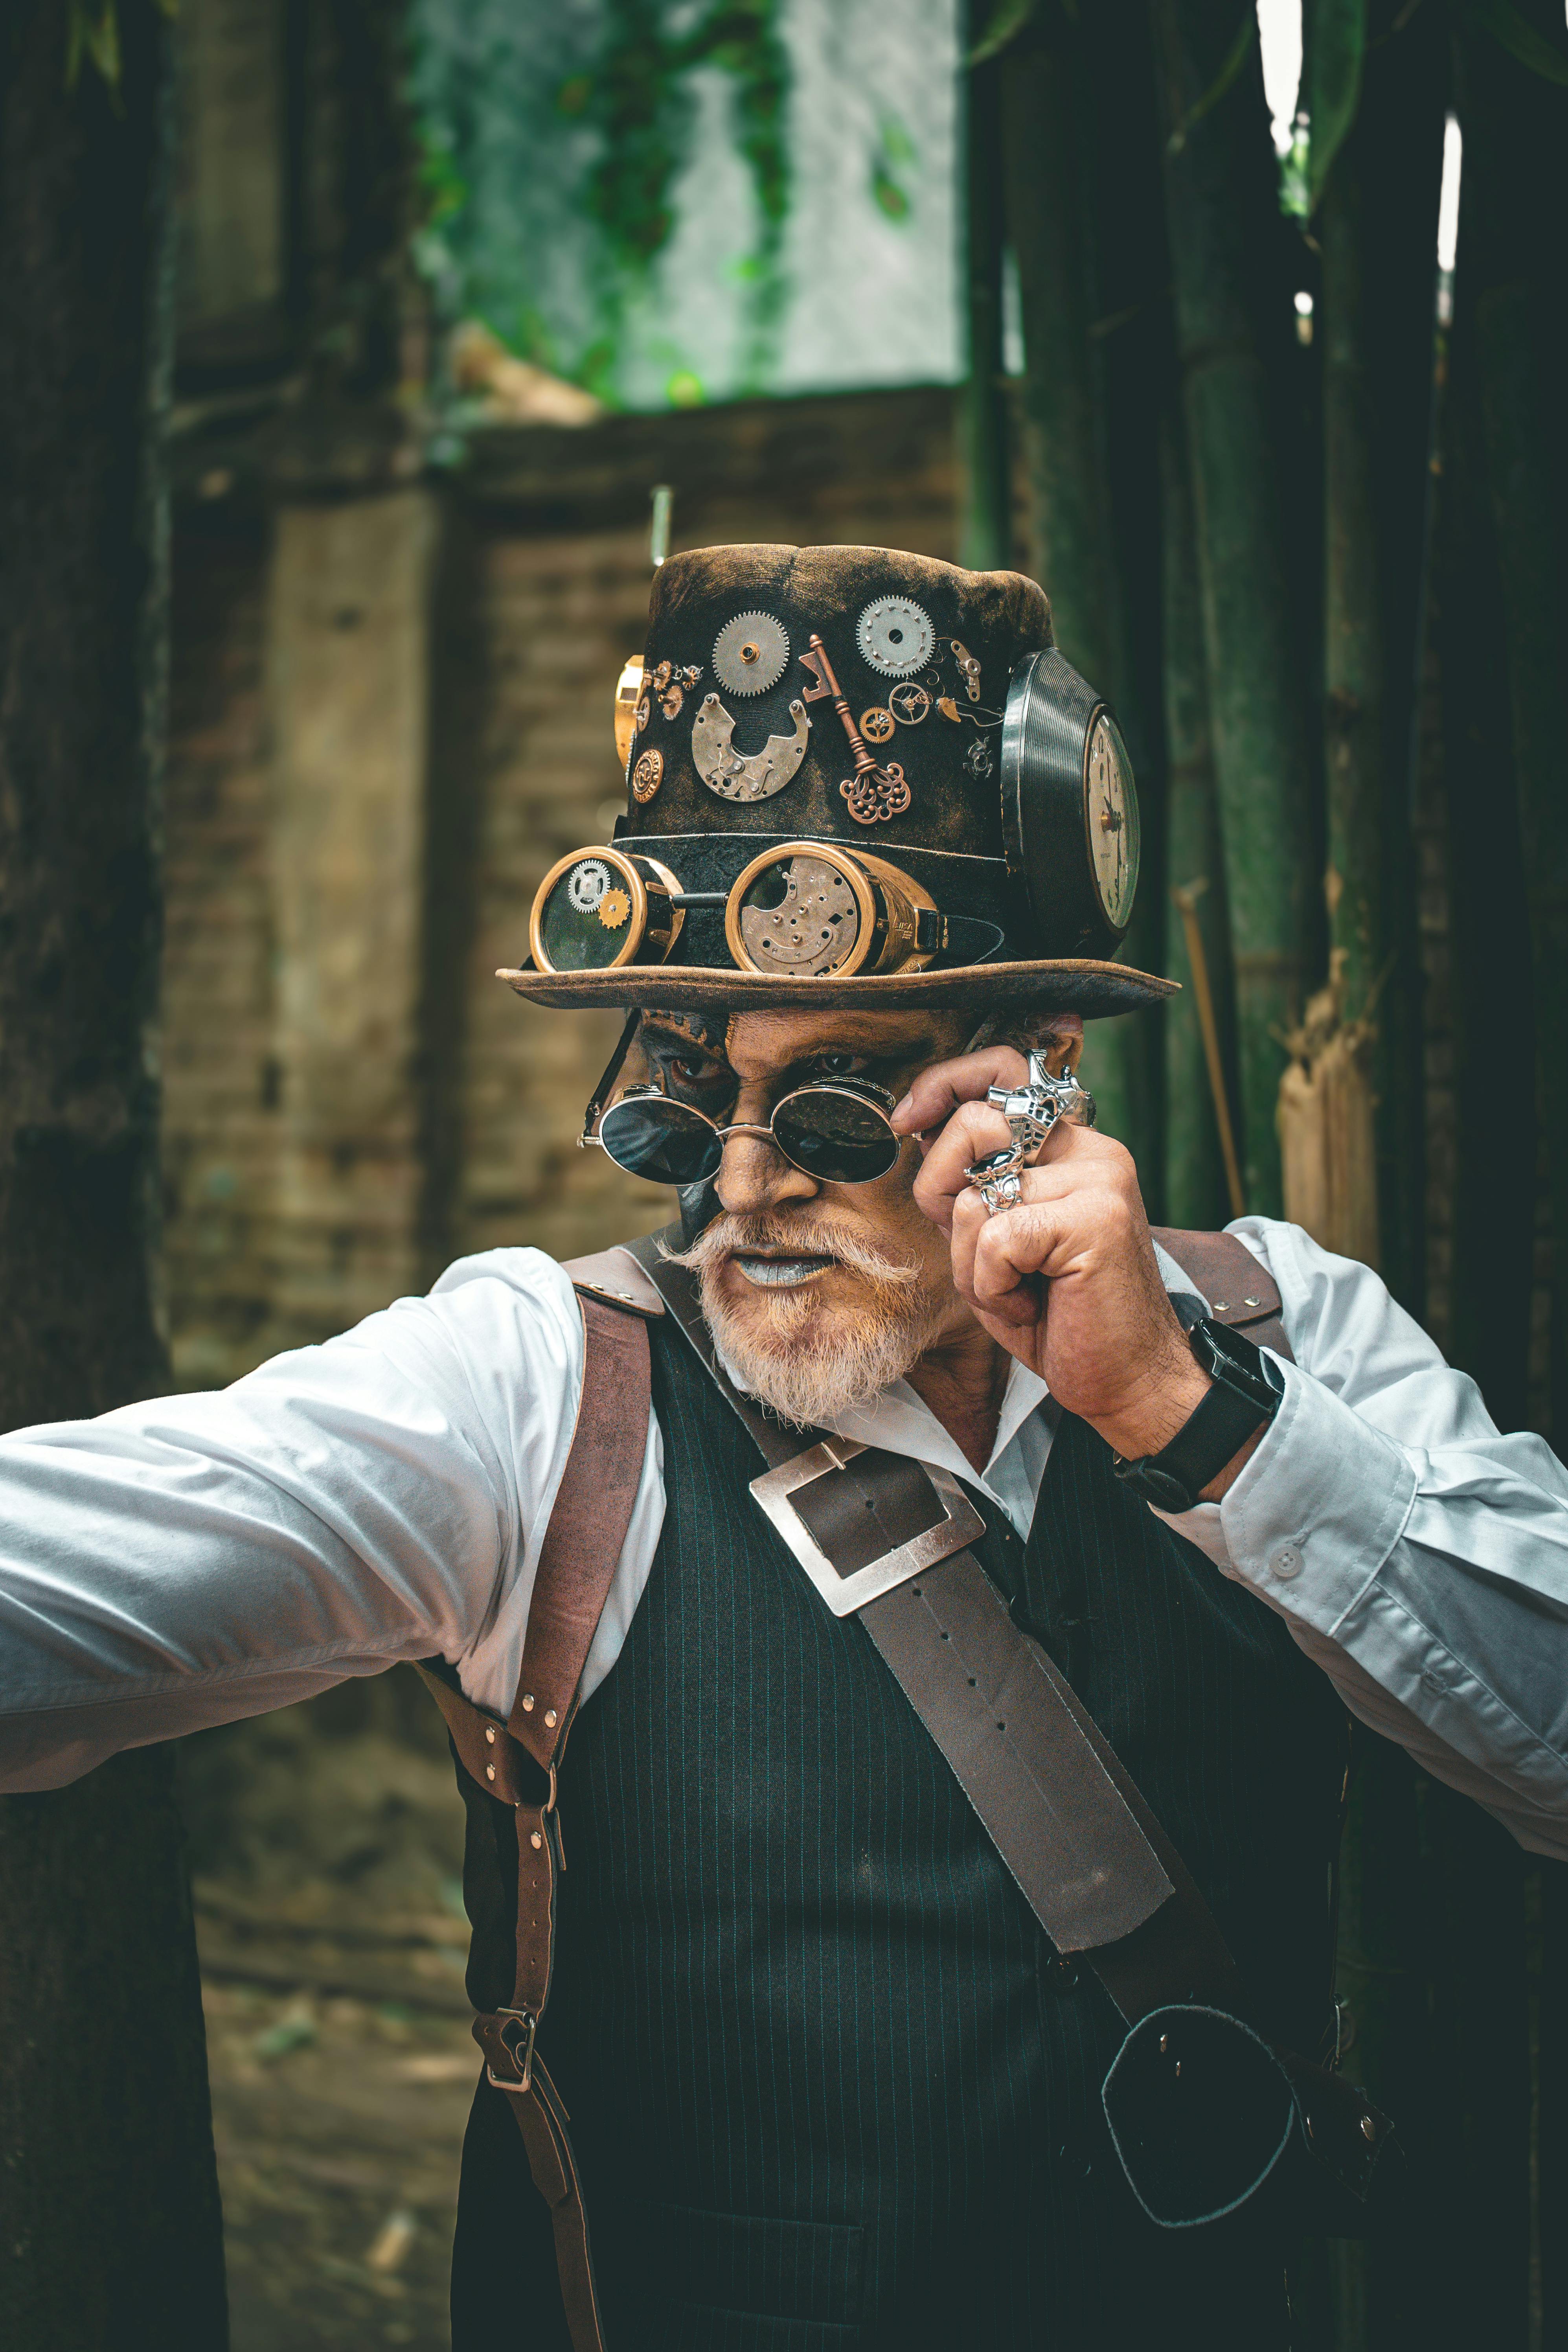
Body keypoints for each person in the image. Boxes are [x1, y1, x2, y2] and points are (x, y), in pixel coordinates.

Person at [2, 543, 1566, 2350]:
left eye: (826, 1106)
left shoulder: (1294, 1337)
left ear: (1030, 1073)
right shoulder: (538, 1396)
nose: (739, 1183)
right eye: (682, 1101)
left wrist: (1197, 1424)